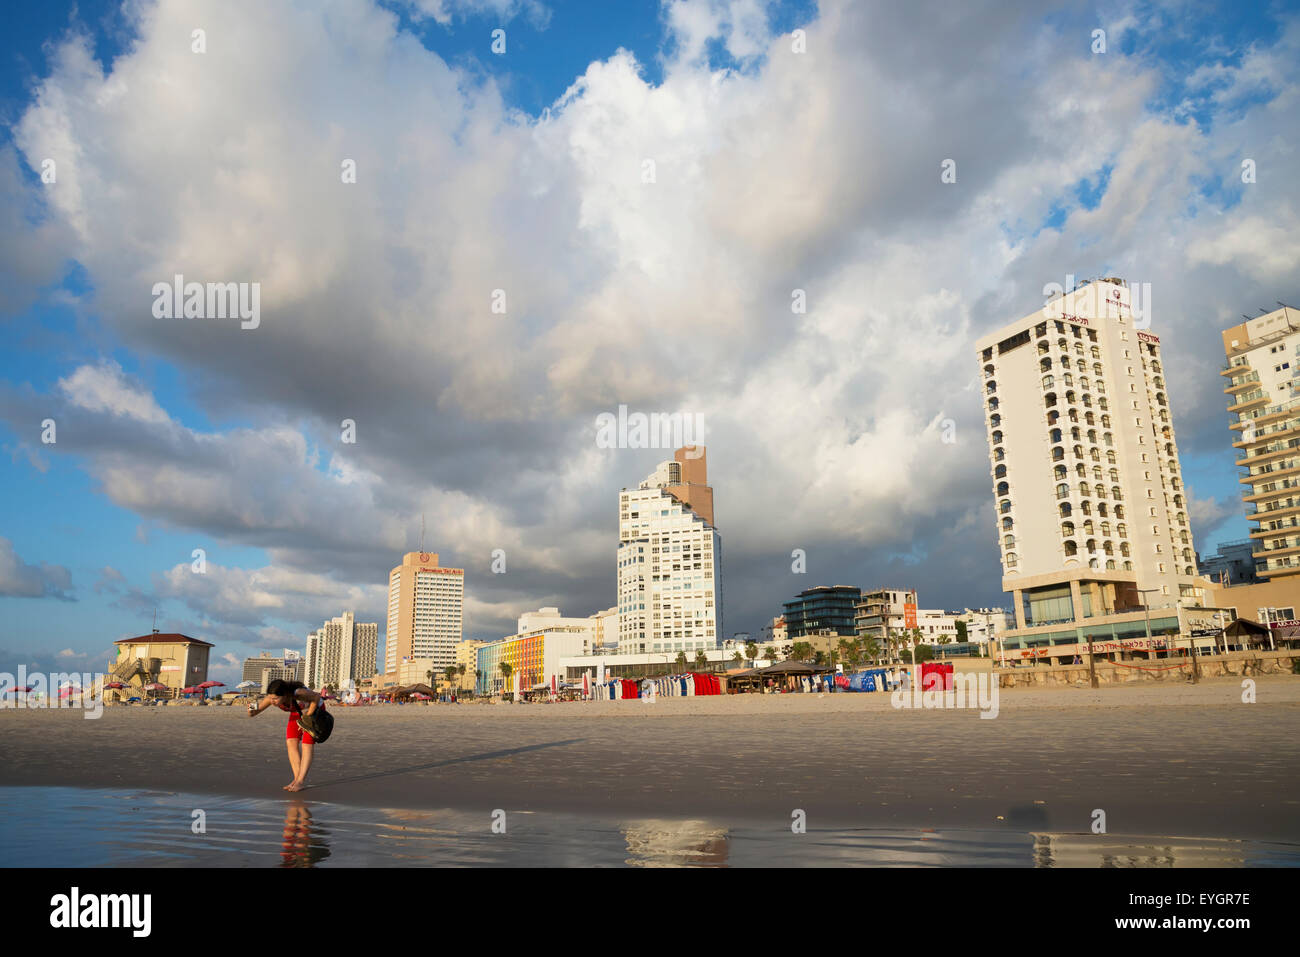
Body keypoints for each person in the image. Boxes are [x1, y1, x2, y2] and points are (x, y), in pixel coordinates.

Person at [249, 679, 324, 791]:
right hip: (297, 712)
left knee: (306, 744)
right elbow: (254, 713)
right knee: (291, 742)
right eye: (270, 698)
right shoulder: (272, 698)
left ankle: (300, 781)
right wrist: (250, 710)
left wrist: (307, 719)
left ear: (284, 695)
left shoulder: (298, 693)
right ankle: (296, 778)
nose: (272, 701)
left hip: (313, 711)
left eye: (275, 699)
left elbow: (316, 698)